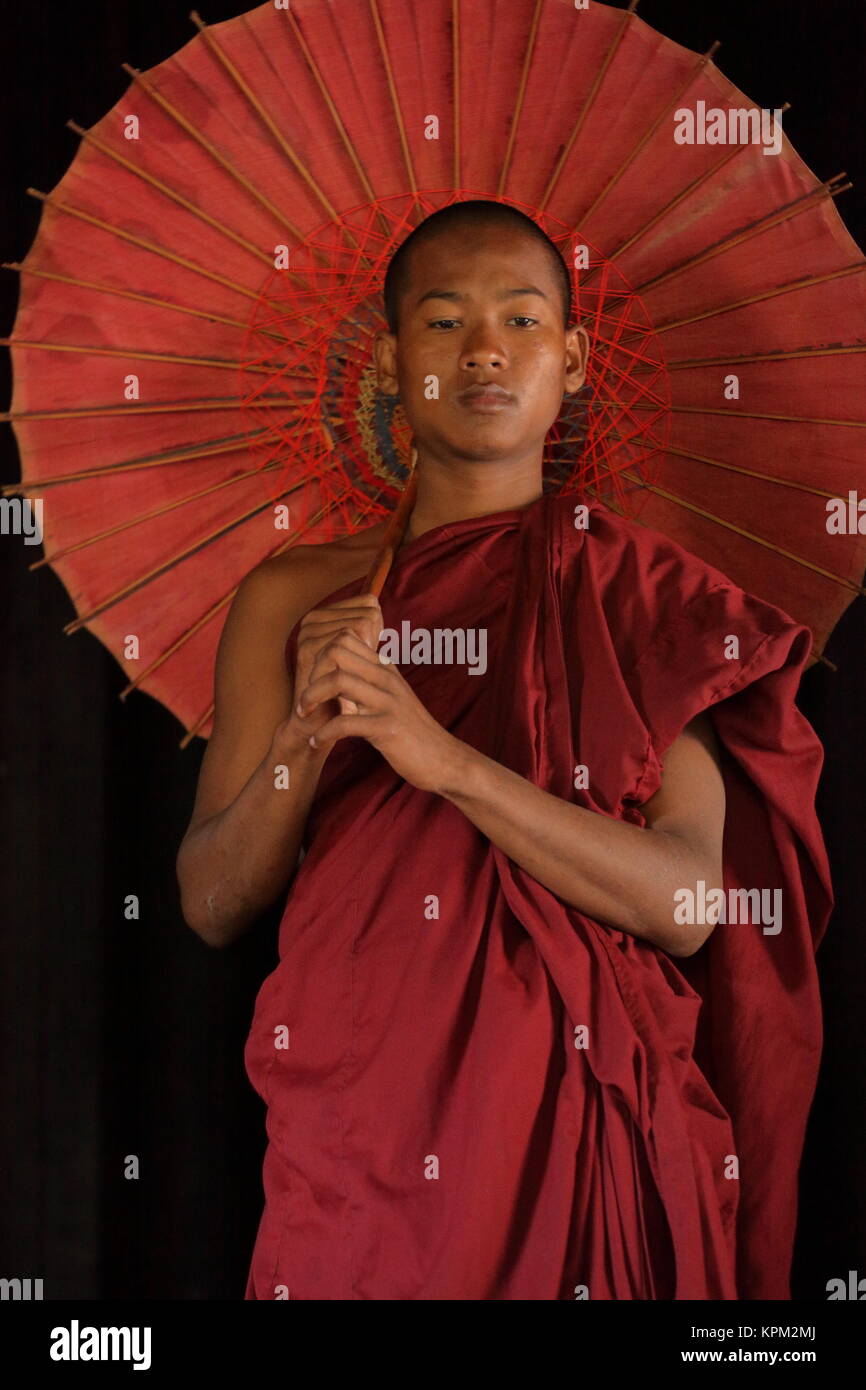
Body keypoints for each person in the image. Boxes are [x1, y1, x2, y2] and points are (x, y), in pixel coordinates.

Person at [176, 200, 832, 1300]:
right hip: (360, 1118)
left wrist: (442, 760)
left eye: (520, 320)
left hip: (572, 1112)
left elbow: (684, 901)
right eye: (441, 324)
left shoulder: (637, 598)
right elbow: (207, 899)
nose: (483, 350)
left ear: (570, 358)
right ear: (389, 360)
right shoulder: (297, 600)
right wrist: (301, 732)